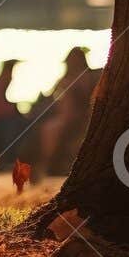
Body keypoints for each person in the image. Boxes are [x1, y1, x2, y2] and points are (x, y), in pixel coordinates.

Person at [36, 47, 98, 178]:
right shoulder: (65, 79)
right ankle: (49, 163)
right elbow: (52, 97)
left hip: (80, 116)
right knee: (49, 128)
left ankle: (50, 163)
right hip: (64, 115)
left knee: (51, 129)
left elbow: (87, 99)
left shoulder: (86, 77)